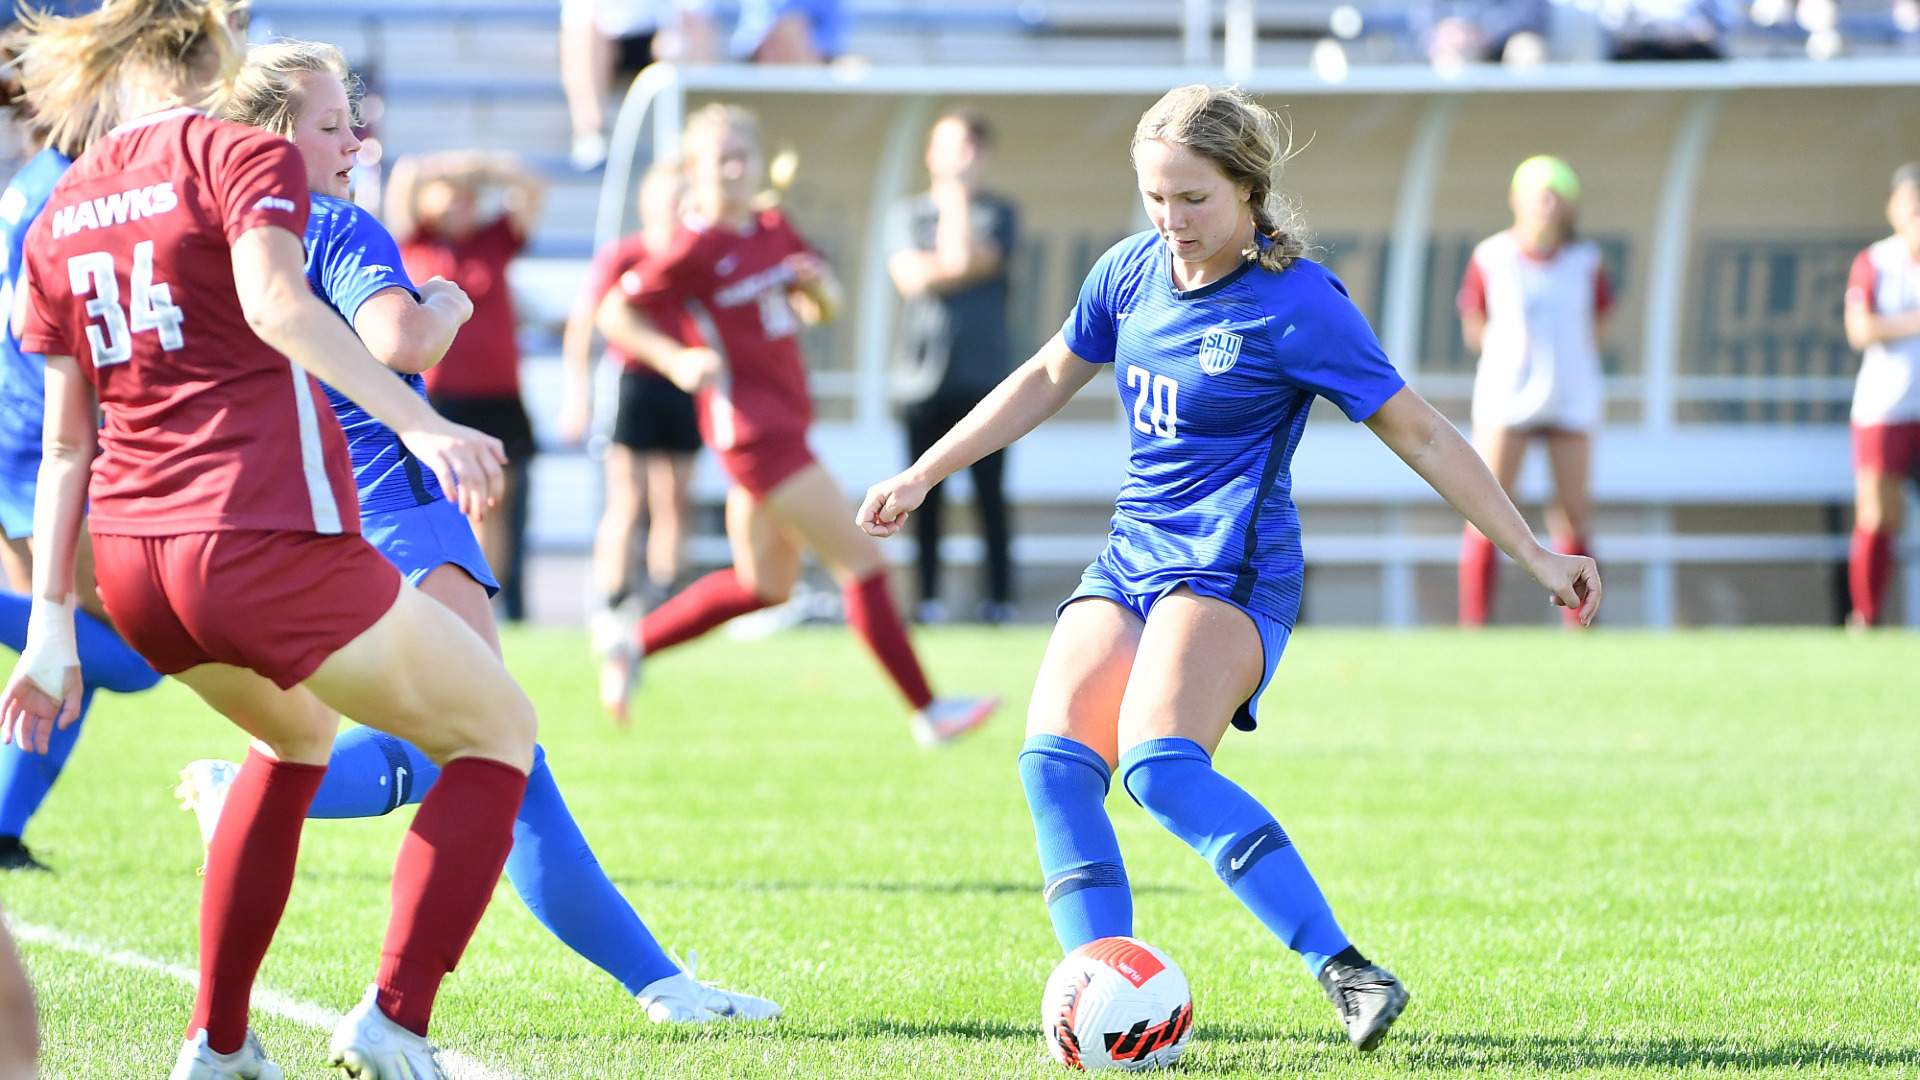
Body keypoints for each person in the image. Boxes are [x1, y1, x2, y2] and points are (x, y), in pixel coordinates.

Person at [859, 85, 1599, 1052]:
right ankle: (1107, 1001)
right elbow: (1044, 376)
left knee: (1161, 770)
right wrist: (924, 472)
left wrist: (1533, 551)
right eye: (1155, 197)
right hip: (1133, 555)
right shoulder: (1129, 274)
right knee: (1054, 767)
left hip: (1230, 568)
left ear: (1249, 191)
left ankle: (1348, 972)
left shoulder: (1298, 303)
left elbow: (1418, 431)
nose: (1172, 221)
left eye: (1193, 199)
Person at [184, 39, 776, 1026]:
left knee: (478, 747)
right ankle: (649, 987)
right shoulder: (335, 226)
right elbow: (401, 342)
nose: (354, 140)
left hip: (299, 524)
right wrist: (443, 304)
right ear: (272, 138)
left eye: (352, 120)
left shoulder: (228, 247)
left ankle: (659, 981)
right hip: (399, 515)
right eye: (330, 124)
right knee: (499, 752)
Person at [1, 4, 540, 1077]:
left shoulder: (66, 200)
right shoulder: (240, 154)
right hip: (251, 536)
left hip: (129, 557)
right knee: (494, 732)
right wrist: (423, 420)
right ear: (215, 52)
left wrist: (50, 632)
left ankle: (221, 1043)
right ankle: (394, 1020)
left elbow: (69, 444)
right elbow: (280, 306)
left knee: (291, 741)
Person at [594, 102, 997, 745]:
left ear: (757, 161)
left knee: (766, 588)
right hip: (754, 433)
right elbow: (615, 312)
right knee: (863, 563)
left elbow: (823, 305)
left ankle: (631, 645)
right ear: (696, 171)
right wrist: (676, 359)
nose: (731, 169)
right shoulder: (694, 246)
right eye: (717, 159)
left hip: (785, 421)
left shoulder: (774, 225)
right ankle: (930, 712)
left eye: (740, 156)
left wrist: (816, 288)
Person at [0, 26, 164, 873]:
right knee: (132, 657)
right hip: (45, 441)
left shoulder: (37, 181)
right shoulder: (76, 192)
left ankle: (2, 825)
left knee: (63, 646)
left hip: (23, 432)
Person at [387, 148, 544, 622]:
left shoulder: (495, 239)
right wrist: (446, 168)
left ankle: (485, 606)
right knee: (438, 503)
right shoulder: (416, 239)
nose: (462, 204)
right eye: (451, 195)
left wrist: (483, 168)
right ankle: (431, 605)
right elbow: (405, 178)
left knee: (493, 503)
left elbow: (531, 186)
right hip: (439, 397)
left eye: (469, 196)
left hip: (498, 395)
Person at [1456, 155, 1611, 627]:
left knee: (1573, 513)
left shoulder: (1587, 261)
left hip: (1569, 398)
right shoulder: (1492, 256)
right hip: (1508, 399)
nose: (1546, 205)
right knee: (1489, 509)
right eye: (1537, 194)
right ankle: (1476, 623)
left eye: (1555, 196)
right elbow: (1474, 327)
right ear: (1516, 200)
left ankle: (1580, 622)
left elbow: (1598, 326)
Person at [561, 162, 703, 674]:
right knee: (628, 496)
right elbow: (586, 321)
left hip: (683, 382)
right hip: (635, 381)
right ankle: (613, 600)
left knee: (675, 496)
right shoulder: (625, 253)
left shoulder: (694, 252)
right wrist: (575, 395)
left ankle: (665, 601)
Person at [887, 109, 1017, 625]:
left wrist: (958, 198)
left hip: (985, 382)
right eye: (948, 147)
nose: (957, 159)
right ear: (929, 154)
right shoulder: (906, 215)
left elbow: (962, 263)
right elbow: (911, 278)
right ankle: (928, 600)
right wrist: (943, 267)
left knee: (990, 497)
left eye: (968, 148)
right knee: (923, 495)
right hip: (920, 379)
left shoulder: (1000, 214)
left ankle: (999, 601)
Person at [1842, 163, 1920, 629]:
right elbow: (1860, 328)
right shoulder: (1876, 260)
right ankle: (1866, 618)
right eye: (1910, 205)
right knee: (1877, 513)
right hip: (1886, 407)